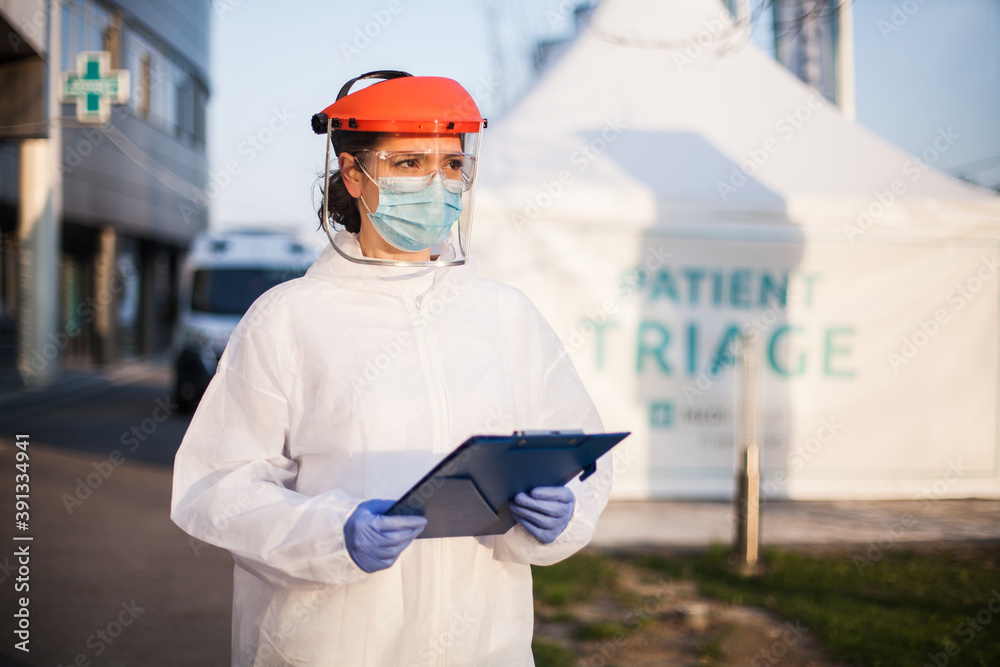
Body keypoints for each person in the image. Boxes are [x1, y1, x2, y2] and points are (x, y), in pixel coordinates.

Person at [170, 71, 613, 666]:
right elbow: (215, 486)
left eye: (452, 165)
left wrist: (562, 508)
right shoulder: (290, 318)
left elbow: (578, 454)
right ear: (354, 175)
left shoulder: (506, 317)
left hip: (483, 643)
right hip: (331, 644)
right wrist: (333, 532)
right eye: (408, 163)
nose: (437, 183)